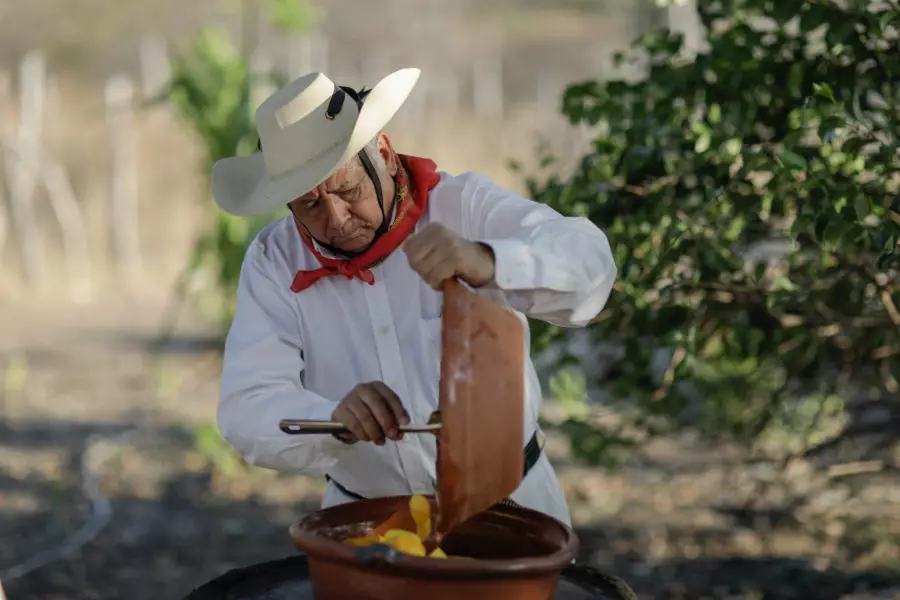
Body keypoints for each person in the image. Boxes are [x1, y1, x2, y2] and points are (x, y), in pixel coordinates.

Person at [212, 68, 617, 527]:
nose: (337, 217)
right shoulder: (273, 262)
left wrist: (488, 260)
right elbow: (246, 407)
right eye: (309, 205)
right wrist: (331, 417)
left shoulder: (464, 207)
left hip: (512, 505)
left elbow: (592, 268)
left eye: (348, 189)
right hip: (368, 519)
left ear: (382, 153)